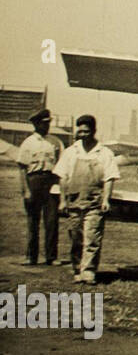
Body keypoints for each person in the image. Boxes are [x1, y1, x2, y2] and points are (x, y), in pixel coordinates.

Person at [52, 115, 120, 285]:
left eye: (86, 131)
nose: (82, 134)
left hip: (94, 203)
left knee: (92, 238)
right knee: (76, 237)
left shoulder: (104, 153)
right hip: (74, 202)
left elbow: (109, 178)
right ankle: (77, 269)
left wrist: (106, 200)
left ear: (94, 131)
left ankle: (89, 271)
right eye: (80, 131)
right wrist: (62, 200)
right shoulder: (71, 152)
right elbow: (63, 177)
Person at [16, 108, 63, 266]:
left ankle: (51, 256)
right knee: (33, 220)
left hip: (51, 181)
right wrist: (26, 190)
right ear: (35, 124)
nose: (46, 126)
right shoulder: (28, 143)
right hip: (33, 181)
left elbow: (61, 166)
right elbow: (22, 168)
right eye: (43, 123)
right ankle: (31, 256)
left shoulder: (56, 142)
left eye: (48, 123)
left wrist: (58, 186)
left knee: (51, 220)